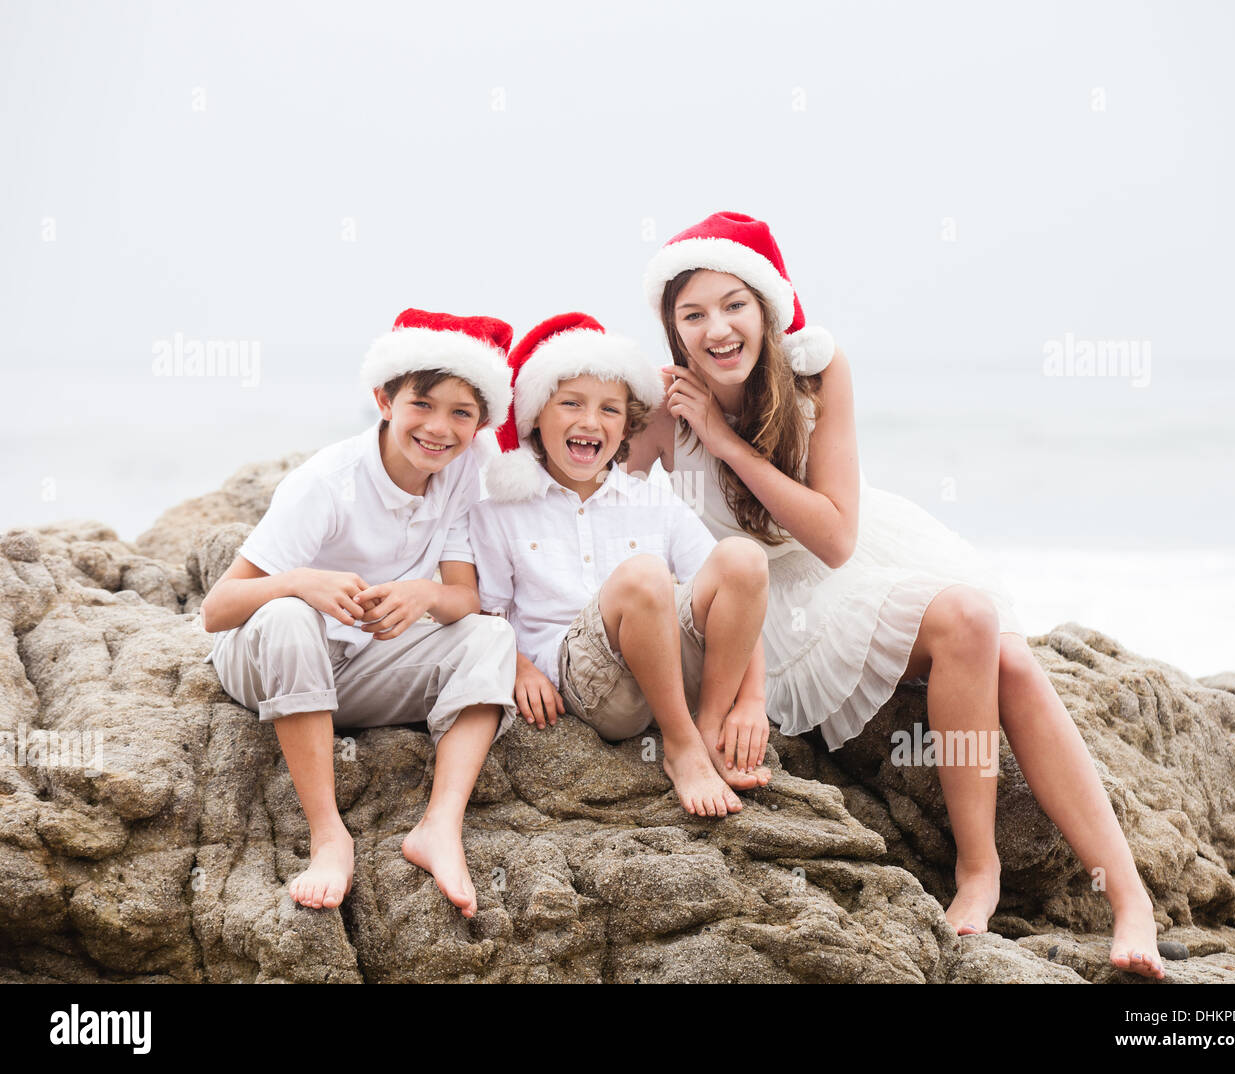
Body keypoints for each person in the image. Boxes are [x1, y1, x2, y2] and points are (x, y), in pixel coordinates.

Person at [631, 212, 1164, 978]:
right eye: (693, 314)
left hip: (845, 557)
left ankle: (1117, 897)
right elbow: (592, 500)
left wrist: (725, 443)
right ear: (672, 330)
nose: (717, 329)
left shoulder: (816, 372)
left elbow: (836, 537)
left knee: (1003, 652)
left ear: (767, 308)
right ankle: (980, 871)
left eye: (733, 304)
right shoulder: (664, 404)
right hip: (761, 602)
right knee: (973, 626)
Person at [202, 309, 519, 919]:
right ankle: (329, 837)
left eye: (462, 414)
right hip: (265, 664)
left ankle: (439, 828)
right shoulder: (327, 482)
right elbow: (217, 612)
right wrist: (300, 583)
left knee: (490, 635)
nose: (438, 428)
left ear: (480, 424)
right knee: (291, 617)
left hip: (358, 669)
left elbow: (463, 598)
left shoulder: (460, 473)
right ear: (384, 400)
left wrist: (423, 596)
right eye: (422, 405)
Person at [469, 312, 772, 818]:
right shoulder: (498, 513)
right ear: (535, 418)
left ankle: (708, 728)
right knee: (646, 574)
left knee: (743, 557)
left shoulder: (652, 501)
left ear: (627, 425)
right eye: (571, 404)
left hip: (670, 669)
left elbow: (739, 595)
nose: (591, 422)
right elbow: (486, 614)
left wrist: (753, 700)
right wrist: (518, 667)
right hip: (592, 686)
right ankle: (679, 746)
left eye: (610, 409)